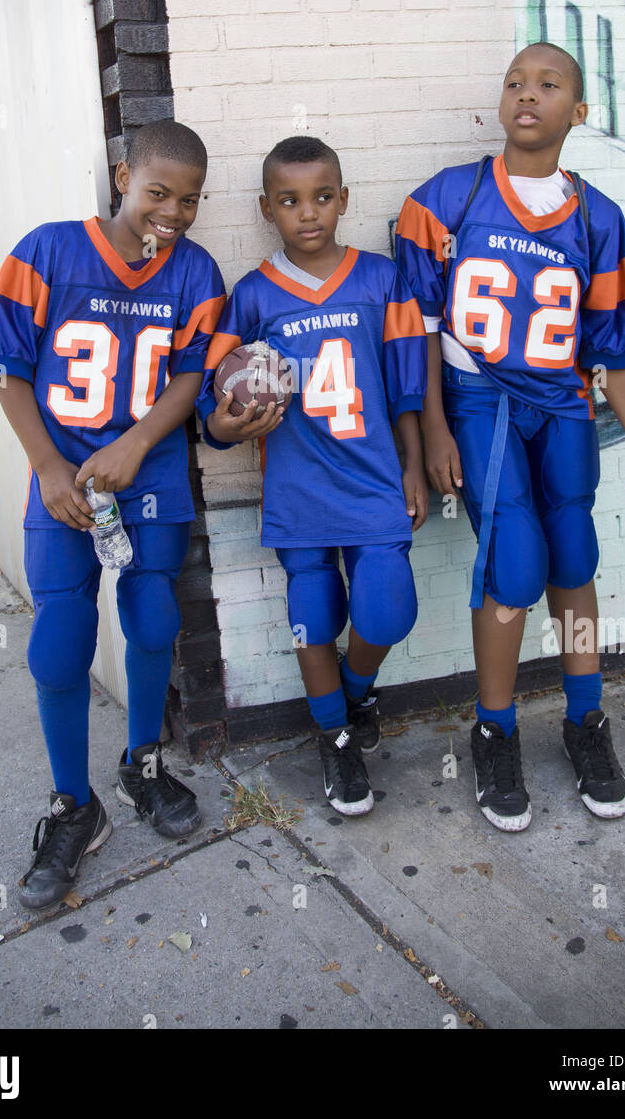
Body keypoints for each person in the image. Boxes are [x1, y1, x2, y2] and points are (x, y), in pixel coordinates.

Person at [395, 43, 625, 831]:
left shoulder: (599, 218)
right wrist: (435, 427)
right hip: (481, 406)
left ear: (577, 113)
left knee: (574, 559)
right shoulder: (447, 200)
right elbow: (417, 332)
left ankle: (586, 721)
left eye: (549, 85)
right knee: (514, 566)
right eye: (515, 81)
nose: (527, 94)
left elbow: (612, 353)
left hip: (563, 408)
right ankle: (495, 729)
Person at [0, 120, 225, 907]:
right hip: (65, 482)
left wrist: (140, 440)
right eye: (159, 193)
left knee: (154, 620)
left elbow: (190, 375)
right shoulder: (46, 251)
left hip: (147, 472)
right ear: (123, 176)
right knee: (60, 644)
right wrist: (47, 463)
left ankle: (142, 763)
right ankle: (70, 805)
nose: (174, 213)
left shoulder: (196, 272)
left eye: (189, 201)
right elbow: (5, 367)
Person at [197, 136, 428, 816]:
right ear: (267, 208)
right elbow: (213, 402)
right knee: (313, 614)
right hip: (297, 485)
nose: (308, 213)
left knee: (389, 607)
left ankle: (356, 691)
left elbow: (406, 384)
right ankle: (334, 736)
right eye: (291, 200)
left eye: (322, 197)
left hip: (374, 479)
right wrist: (223, 426)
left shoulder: (381, 278)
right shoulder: (252, 295)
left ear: (344, 200)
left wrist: (414, 464)